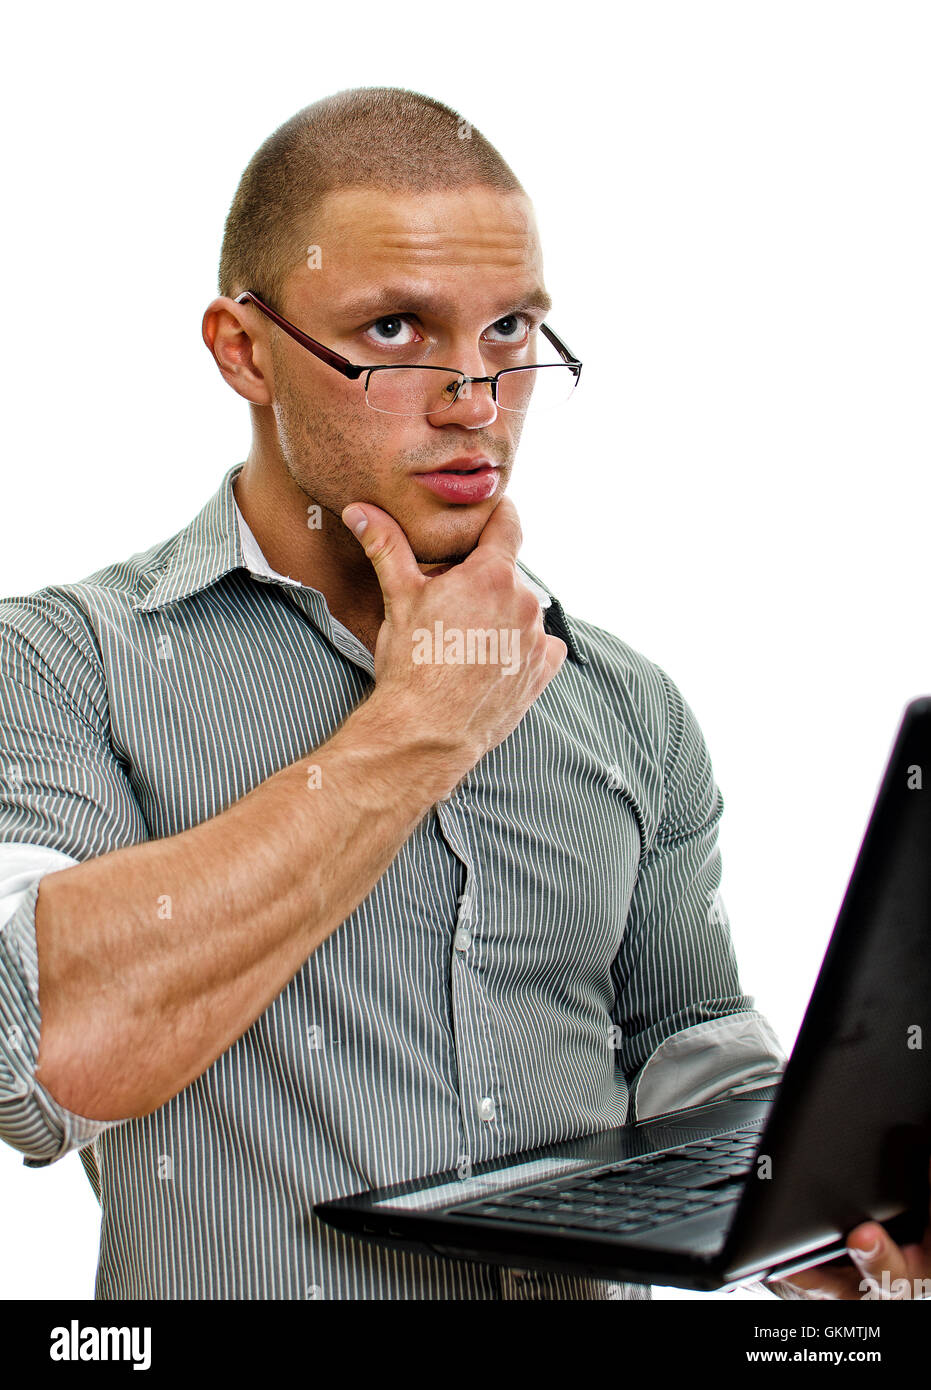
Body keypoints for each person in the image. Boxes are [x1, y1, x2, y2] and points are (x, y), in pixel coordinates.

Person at [0, 86, 925, 1302]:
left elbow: (680, 1037)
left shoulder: (628, 703)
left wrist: (820, 1201)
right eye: (393, 330)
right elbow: (45, 1053)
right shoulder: (64, 660)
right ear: (243, 350)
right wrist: (421, 726)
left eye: (508, 331)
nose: (475, 400)